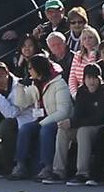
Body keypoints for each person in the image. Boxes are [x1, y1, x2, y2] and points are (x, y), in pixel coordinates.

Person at [45, 62, 104, 185]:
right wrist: (70, 123)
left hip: (101, 127)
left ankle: (82, 173)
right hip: (83, 124)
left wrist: (73, 123)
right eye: (89, 78)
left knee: (83, 131)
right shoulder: (81, 91)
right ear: (84, 79)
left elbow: (100, 117)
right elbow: (78, 114)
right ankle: (58, 171)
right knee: (63, 130)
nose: (92, 81)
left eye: (95, 78)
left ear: (100, 79)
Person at [9, 53, 73, 181]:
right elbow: (22, 103)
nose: (29, 71)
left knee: (45, 130)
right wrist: (20, 87)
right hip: (41, 119)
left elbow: (64, 112)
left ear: (39, 68)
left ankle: (47, 167)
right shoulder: (35, 84)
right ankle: (20, 165)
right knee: (25, 129)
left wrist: (43, 122)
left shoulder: (59, 83)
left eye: (30, 68)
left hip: (58, 121)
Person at [0, 61, 34, 178]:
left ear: (7, 73)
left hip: (22, 119)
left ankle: (7, 165)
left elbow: (12, 113)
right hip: (5, 117)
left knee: (6, 125)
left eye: (0, 76)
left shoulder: (19, 86)